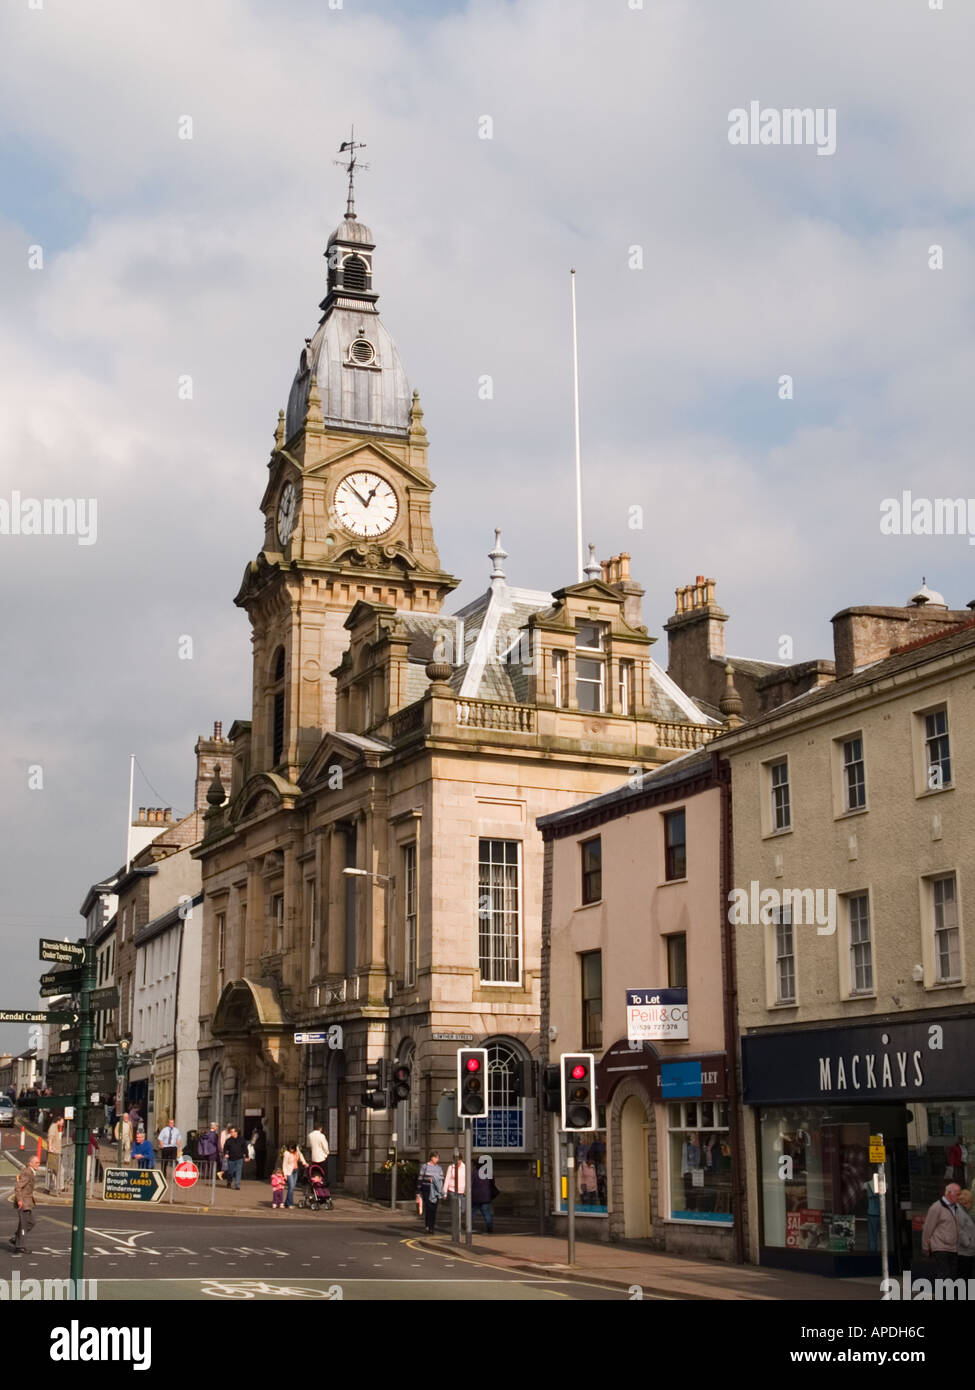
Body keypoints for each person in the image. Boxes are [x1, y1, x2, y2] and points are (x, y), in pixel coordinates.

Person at [922, 1180, 962, 1278]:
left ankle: (949, 1293)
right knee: (944, 1273)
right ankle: (943, 1293)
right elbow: (928, 1228)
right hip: (940, 1246)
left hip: (954, 1247)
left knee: (952, 1274)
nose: (959, 1196)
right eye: (957, 1194)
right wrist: (925, 1246)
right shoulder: (936, 1207)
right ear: (949, 1193)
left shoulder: (956, 1207)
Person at [10, 1156, 40, 1254]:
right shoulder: (27, 1172)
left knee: (31, 1222)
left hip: (27, 1203)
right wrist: (19, 1200)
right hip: (23, 1203)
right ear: (30, 1163)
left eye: (39, 1163)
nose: (38, 1165)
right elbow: (18, 1187)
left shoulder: (30, 1172)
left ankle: (16, 1238)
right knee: (23, 1225)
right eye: (36, 1163)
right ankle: (20, 1246)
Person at [417, 1150, 444, 1233]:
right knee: (429, 1208)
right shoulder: (425, 1166)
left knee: (434, 1209)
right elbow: (420, 1178)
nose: (437, 1160)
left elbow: (441, 1178)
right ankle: (427, 1226)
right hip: (426, 1189)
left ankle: (432, 1227)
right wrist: (418, 1191)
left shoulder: (439, 1168)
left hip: (435, 1190)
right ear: (432, 1158)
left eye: (438, 1158)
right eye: (436, 1158)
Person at [470, 1158, 499, 1233]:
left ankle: (469, 1226)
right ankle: (489, 1228)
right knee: (487, 1213)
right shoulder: (488, 1173)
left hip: (476, 1196)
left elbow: (471, 1184)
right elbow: (493, 1182)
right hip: (486, 1196)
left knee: (472, 1212)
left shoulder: (474, 1173)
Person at [282, 1143, 308, 1207]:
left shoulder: (297, 1151)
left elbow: (301, 1156)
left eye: (292, 1149)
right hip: (289, 1171)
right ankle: (290, 1203)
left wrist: (304, 1163)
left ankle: (286, 1203)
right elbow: (284, 1164)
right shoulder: (286, 1153)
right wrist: (285, 1174)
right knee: (291, 1187)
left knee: (292, 1187)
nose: (291, 1150)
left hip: (295, 1170)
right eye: (290, 1149)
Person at [957, 1190, 975, 1279]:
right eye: (970, 1201)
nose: (971, 1204)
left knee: (966, 1278)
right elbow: (959, 1230)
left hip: (968, 1252)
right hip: (964, 1253)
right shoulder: (959, 1212)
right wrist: (968, 1244)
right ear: (963, 1201)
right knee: (963, 1278)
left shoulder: (963, 1211)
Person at [46, 1117, 63, 1194]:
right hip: (54, 1153)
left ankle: (57, 1187)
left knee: (56, 1171)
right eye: (62, 1121)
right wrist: (50, 1148)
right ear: (58, 1121)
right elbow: (50, 1137)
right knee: (58, 1170)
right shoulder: (53, 1127)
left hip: (56, 1152)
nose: (63, 1123)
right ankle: (58, 1187)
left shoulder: (55, 1127)